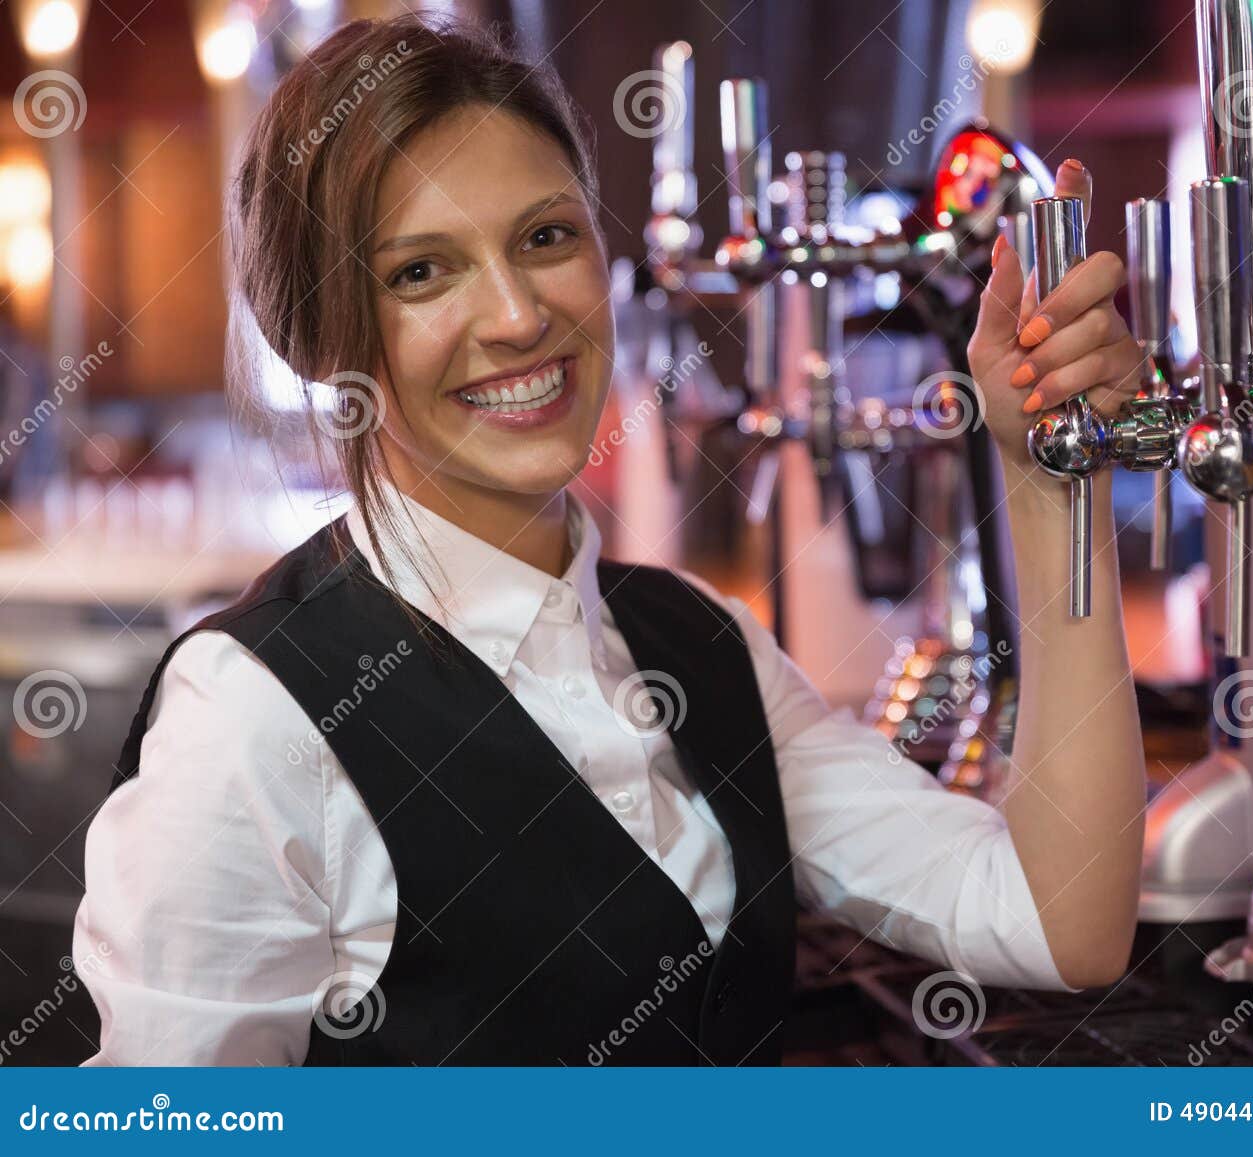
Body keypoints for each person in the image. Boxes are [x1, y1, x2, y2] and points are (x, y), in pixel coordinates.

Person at [72, 13, 1147, 1066]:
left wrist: (1046, 472)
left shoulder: (700, 640)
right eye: (419, 272)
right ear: (318, 337)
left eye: (544, 238)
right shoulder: (250, 714)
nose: (516, 315)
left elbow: (1058, 917)